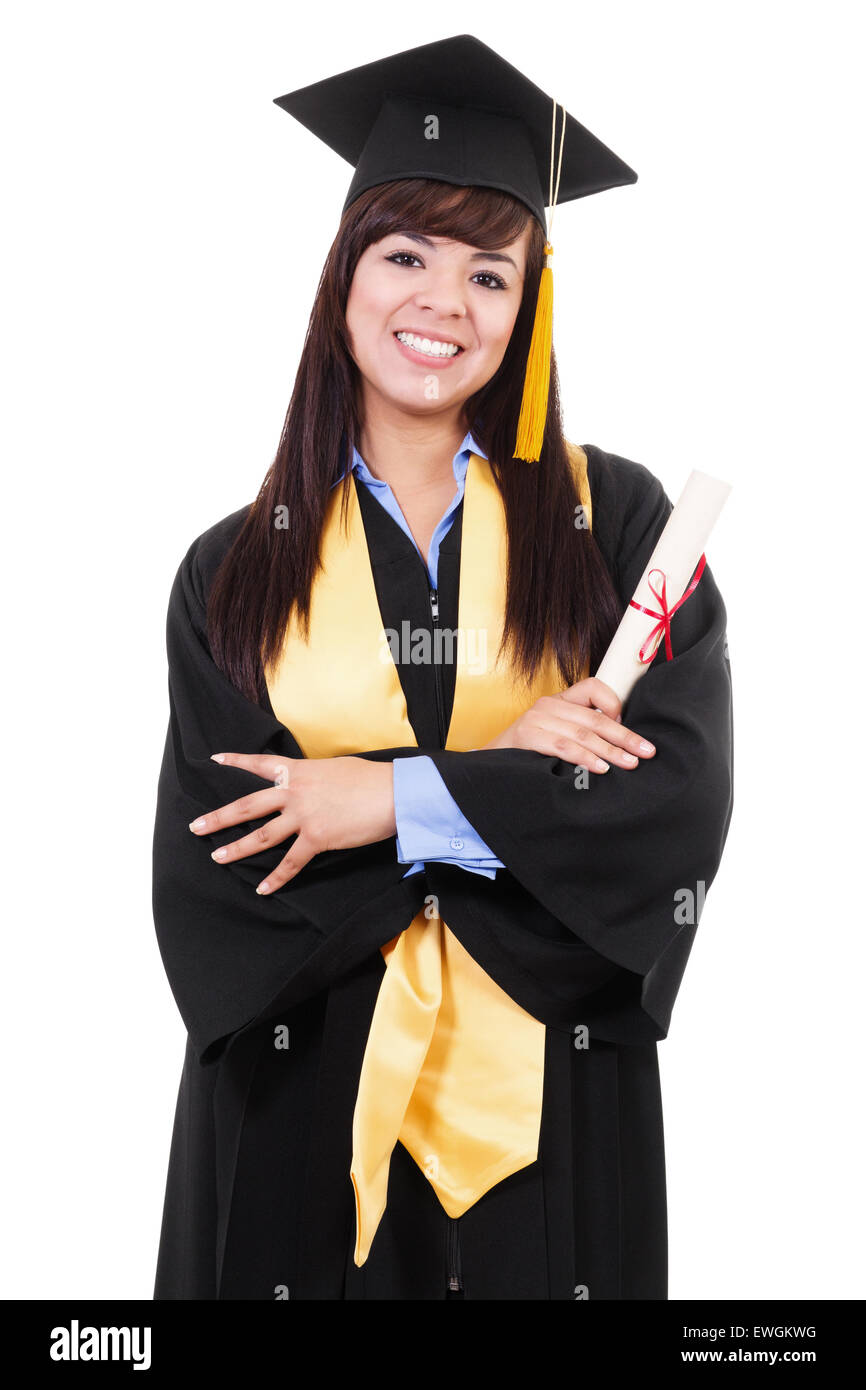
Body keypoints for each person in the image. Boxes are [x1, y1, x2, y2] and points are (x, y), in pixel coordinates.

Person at [152, 34, 734, 1301]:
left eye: (489, 274)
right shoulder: (234, 569)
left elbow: (669, 804)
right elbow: (219, 871)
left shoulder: (616, 528)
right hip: (305, 1088)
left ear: (527, 307)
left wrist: (387, 799)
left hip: (546, 1096)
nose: (442, 306)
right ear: (344, 276)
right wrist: (510, 789)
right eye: (404, 255)